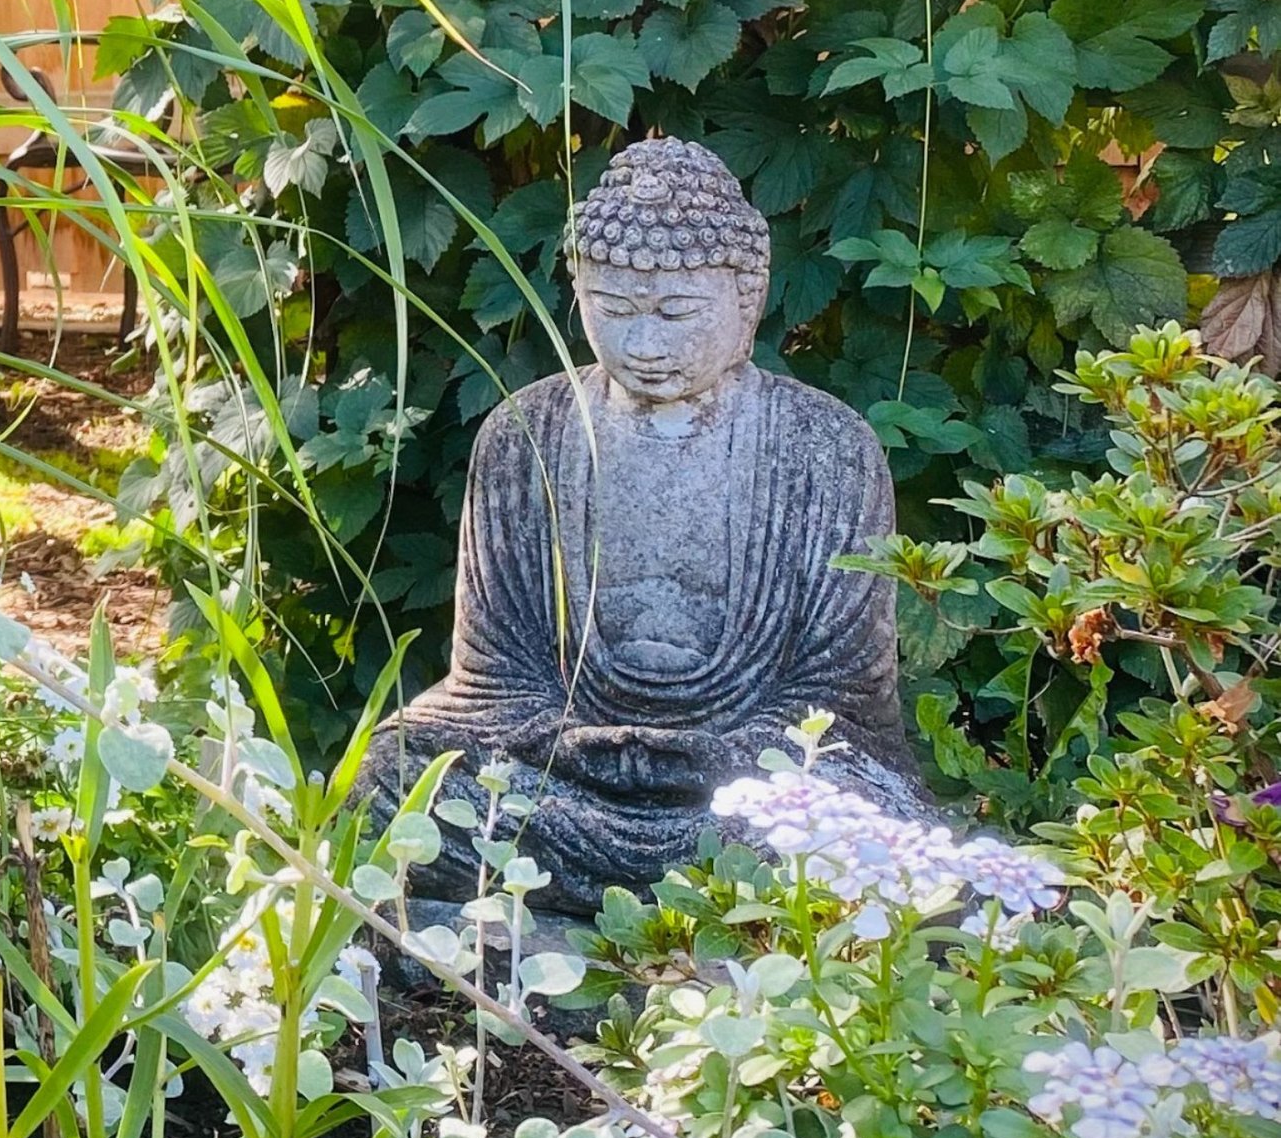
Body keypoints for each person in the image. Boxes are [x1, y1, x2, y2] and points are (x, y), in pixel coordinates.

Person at [365, 135, 931, 914]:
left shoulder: (825, 449)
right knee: (388, 776)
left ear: (748, 298)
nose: (645, 345)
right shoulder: (525, 434)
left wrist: (723, 755)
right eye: (615, 310)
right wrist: (558, 741)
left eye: (677, 312)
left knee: (857, 823)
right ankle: (686, 900)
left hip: (749, 785)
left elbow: (842, 698)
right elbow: (487, 679)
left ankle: (586, 895)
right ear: (579, 293)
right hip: (557, 771)